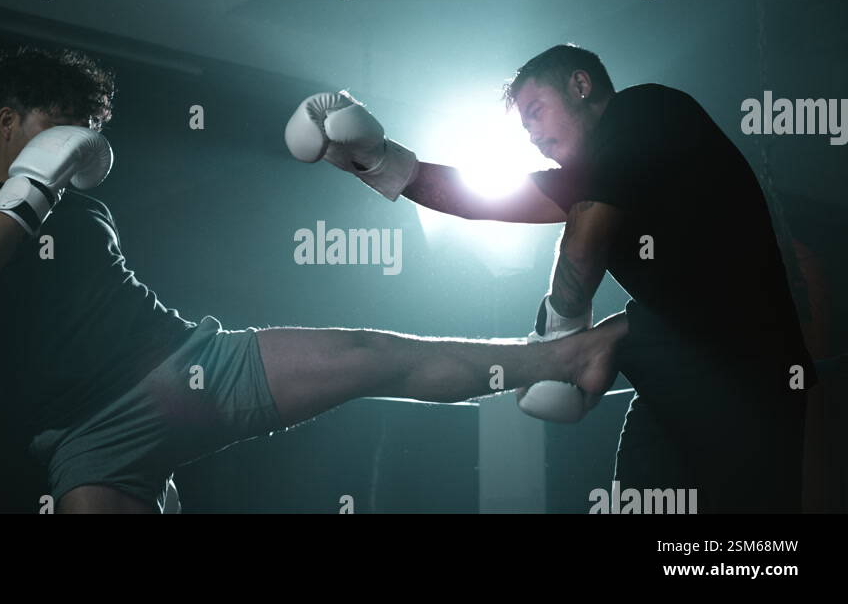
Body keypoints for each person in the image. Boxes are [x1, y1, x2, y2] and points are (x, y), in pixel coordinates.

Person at [0, 46, 627, 514]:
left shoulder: (81, 204)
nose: (75, 151)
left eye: (85, 134)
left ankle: (564, 354)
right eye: (59, 130)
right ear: (9, 122)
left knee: (367, 353)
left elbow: (515, 198)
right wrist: (29, 189)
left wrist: (376, 161)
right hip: (82, 439)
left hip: (184, 367)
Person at [290, 44, 817, 513]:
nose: (535, 135)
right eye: (525, 128)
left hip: (747, 377)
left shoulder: (645, 108)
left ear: (581, 85)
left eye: (537, 112)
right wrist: (380, 161)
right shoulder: (598, 171)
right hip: (678, 372)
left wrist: (562, 337)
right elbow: (487, 200)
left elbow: (587, 232)